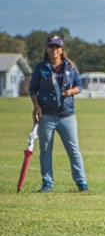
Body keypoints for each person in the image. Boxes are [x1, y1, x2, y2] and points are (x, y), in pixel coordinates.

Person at [28, 35, 88, 192]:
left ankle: (82, 183)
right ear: (47, 49)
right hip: (46, 115)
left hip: (67, 115)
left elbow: (79, 86)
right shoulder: (41, 68)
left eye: (57, 47)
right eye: (51, 47)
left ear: (62, 50)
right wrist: (36, 106)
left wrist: (72, 91)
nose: (54, 50)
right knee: (45, 150)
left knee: (74, 150)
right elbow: (33, 88)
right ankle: (47, 183)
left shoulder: (70, 67)